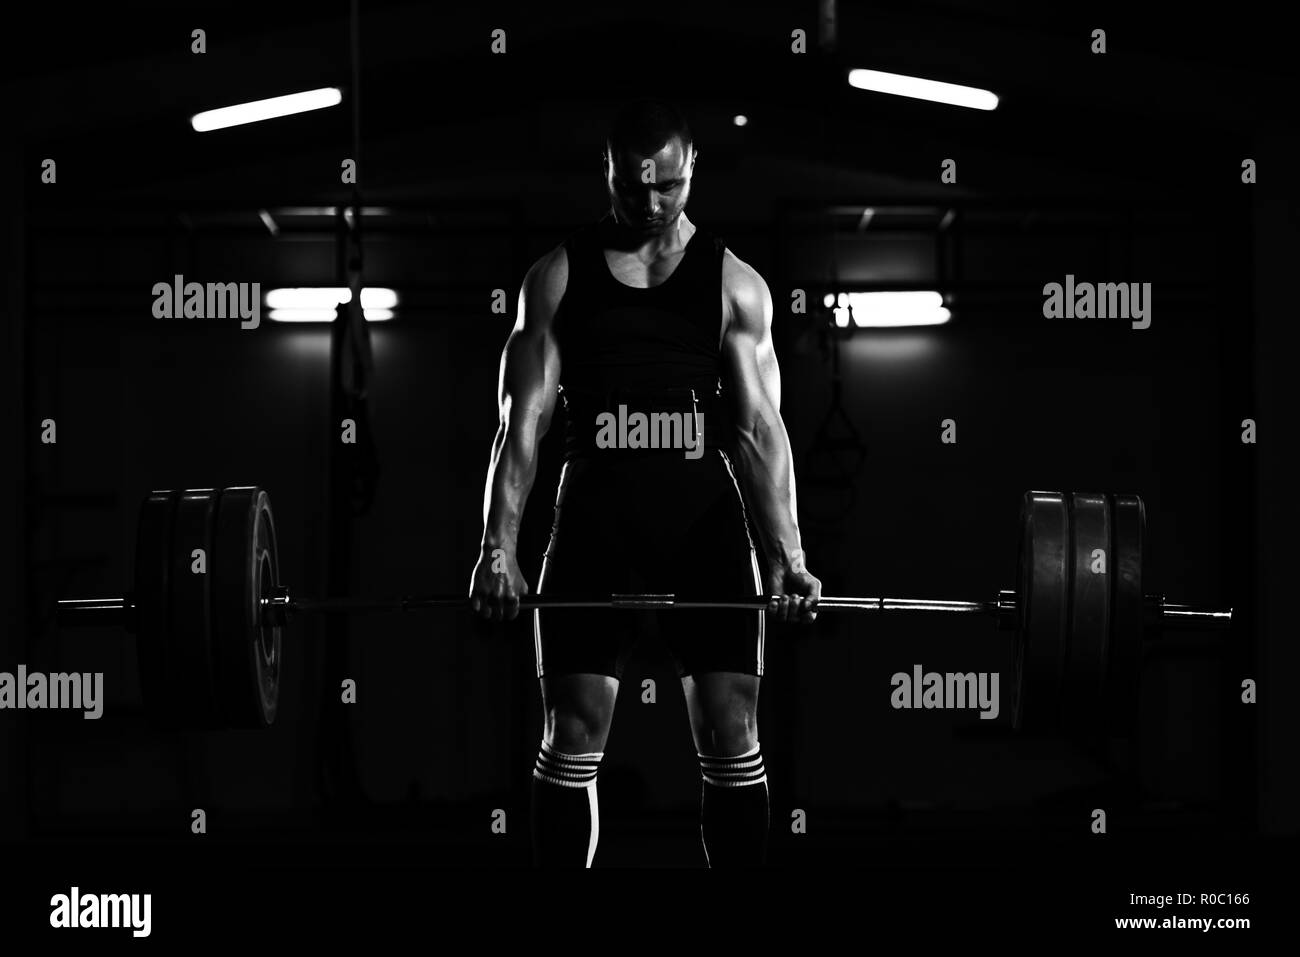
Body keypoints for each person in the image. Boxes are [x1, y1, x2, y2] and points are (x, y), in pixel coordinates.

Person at [469, 98, 820, 867]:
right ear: (608, 173)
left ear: (693, 170)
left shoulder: (736, 285)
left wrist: (788, 553)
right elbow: (519, 425)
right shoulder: (556, 279)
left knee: (734, 729)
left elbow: (761, 431)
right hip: (595, 523)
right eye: (635, 188)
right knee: (571, 730)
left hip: (703, 525)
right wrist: (498, 547)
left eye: (669, 186)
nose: (653, 203)